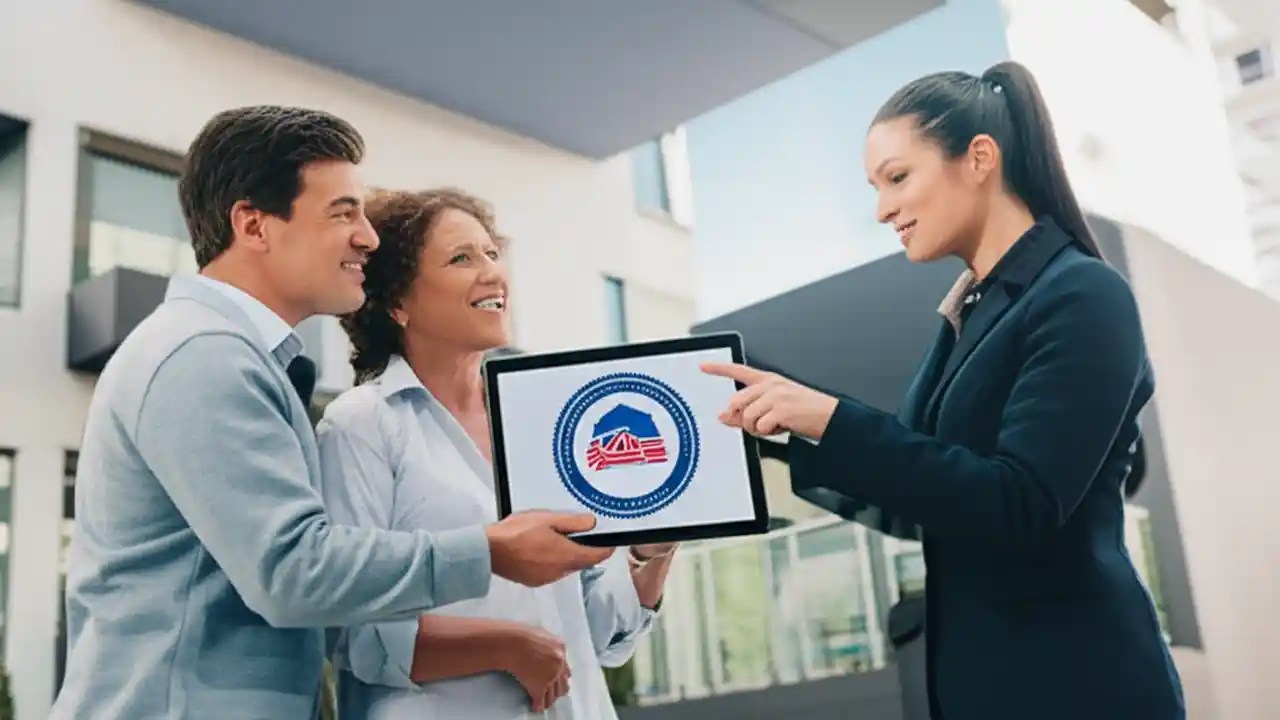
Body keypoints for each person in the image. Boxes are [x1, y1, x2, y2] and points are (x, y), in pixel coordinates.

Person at [51, 106, 612, 720]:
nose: (368, 237)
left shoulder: (233, 356)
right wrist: (490, 552)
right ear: (254, 224)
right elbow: (291, 570)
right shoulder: (203, 356)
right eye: (344, 212)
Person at [703, 61, 1185, 719]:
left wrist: (832, 420)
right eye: (874, 187)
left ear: (979, 158)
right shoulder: (967, 314)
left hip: (1078, 684)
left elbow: (1021, 501)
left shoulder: (1082, 294)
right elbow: (924, 495)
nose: (881, 210)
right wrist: (787, 428)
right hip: (989, 689)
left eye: (897, 178)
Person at [316, 188, 676, 719]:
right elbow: (354, 631)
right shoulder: (362, 425)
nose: (493, 273)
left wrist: (652, 551)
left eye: (492, 254)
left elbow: (602, 635)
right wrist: (506, 645)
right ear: (397, 301)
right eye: (462, 258)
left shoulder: (545, 426)